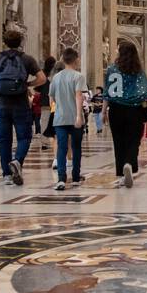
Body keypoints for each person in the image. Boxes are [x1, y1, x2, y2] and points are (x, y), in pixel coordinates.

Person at [0, 28, 45, 186]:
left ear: (5, 42)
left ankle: (7, 175)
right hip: (21, 102)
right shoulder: (27, 59)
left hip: (2, 103)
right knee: (24, 137)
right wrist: (28, 84)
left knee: (4, 140)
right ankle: (17, 161)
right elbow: (41, 78)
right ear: (20, 42)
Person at [103, 41, 147, 187]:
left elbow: (107, 92)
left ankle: (122, 174)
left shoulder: (111, 69)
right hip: (134, 110)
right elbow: (144, 94)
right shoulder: (138, 70)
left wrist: (104, 111)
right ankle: (129, 163)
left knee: (119, 141)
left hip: (115, 109)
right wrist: (145, 109)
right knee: (133, 141)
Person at [49, 47, 88, 190]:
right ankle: (76, 177)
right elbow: (79, 95)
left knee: (62, 148)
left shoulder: (56, 77)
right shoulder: (78, 76)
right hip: (74, 117)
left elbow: (51, 100)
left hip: (59, 118)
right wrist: (79, 116)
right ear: (76, 59)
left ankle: (61, 178)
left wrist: (60, 105)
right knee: (76, 147)